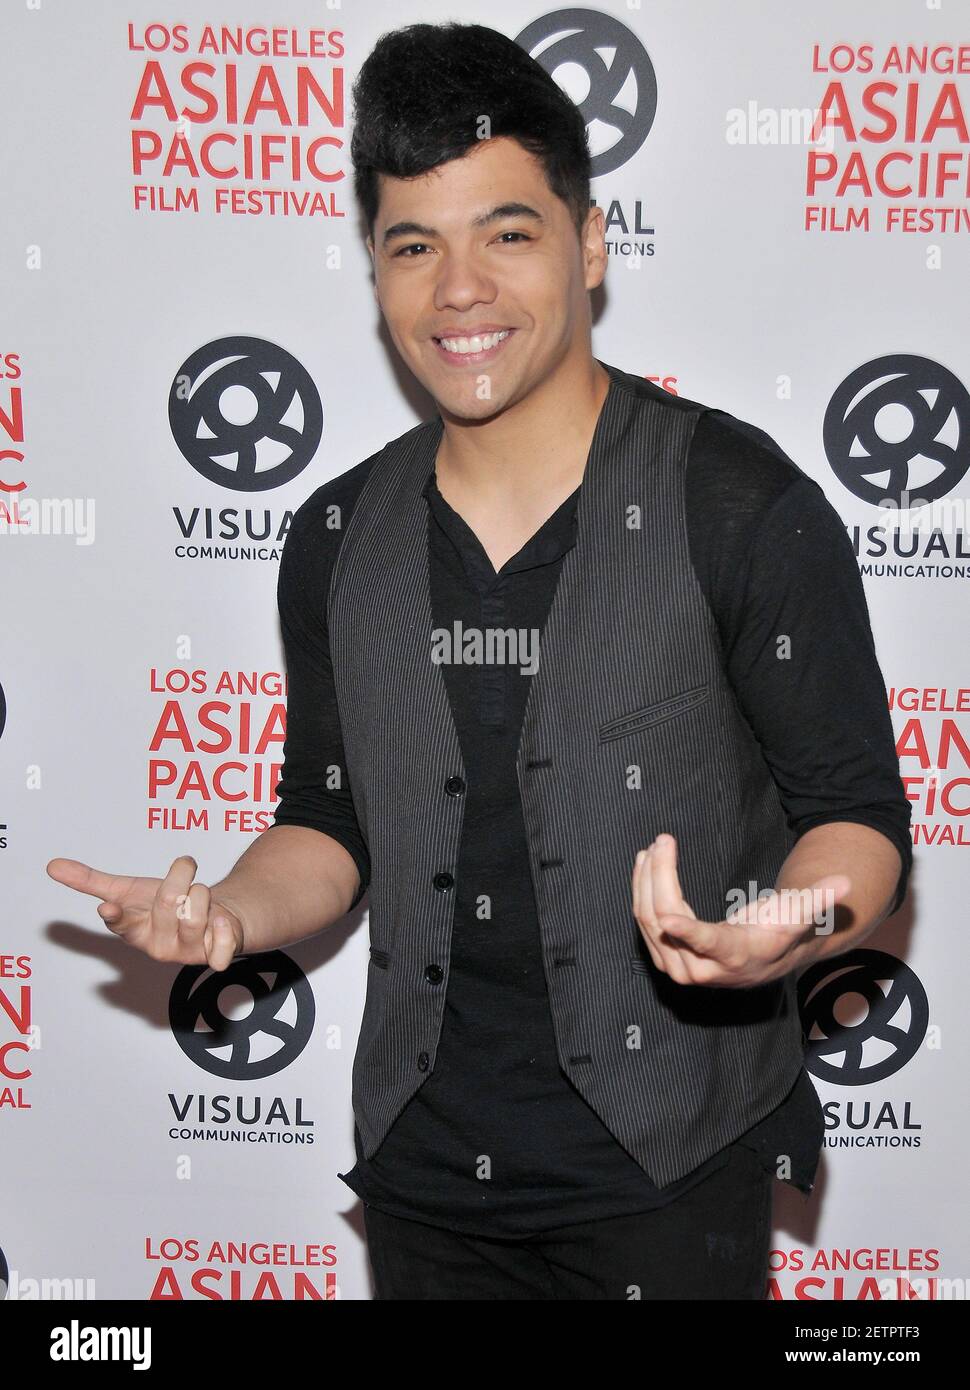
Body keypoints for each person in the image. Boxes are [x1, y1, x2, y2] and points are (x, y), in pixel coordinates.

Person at [48, 22, 912, 1301]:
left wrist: (780, 926)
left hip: (671, 1176)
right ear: (377, 272)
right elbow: (329, 824)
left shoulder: (738, 503)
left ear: (591, 244)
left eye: (506, 233)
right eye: (414, 245)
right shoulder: (335, 535)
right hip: (423, 1174)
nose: (458, 290)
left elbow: (857, 819)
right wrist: (233, 909)